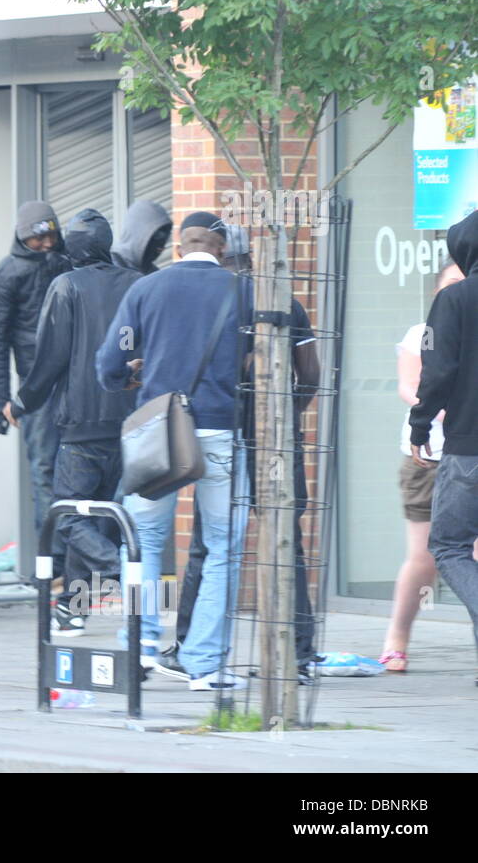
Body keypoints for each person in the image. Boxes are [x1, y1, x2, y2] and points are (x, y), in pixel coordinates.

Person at [162, 221, 323, 681]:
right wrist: (286, 414)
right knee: (284, 545)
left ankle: (186, 646)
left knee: (207, 545)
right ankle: (299, 653)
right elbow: (309, 374)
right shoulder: (282, 303)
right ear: (251, 258)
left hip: (220, 431)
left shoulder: (201, 305)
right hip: (274, 436)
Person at [97, 225, 249, 691]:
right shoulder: (241, 290)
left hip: (158, 430)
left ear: (180, 246)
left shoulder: (146, 289)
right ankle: (203, 664)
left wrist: (130, 378)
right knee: (223, 544)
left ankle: (138, 647)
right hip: (220, 427)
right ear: (221, 249)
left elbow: (109, 363)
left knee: (141, 540)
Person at [5, 208, 141, 636]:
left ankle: (115, 564)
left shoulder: (65, 287)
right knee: (99, 515)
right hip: (130, 423)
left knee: (69, 514)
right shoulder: (137, 284)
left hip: (81, 424)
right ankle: (72, 607)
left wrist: (20, 403)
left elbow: (48, 361)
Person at [381, 260, 464, 672]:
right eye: (450, 284)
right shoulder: (422, 334)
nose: (457, 292)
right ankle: (397, 637)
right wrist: (456, 410)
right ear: (436, 293)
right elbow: (410, 387)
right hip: (428, 456)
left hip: (470, 456)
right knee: (424, 558)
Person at [409, 211, 478, 681]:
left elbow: (436, 371)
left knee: (450, 547)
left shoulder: (453, 299)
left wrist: (419, 427)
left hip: (468, 448)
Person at [0, 201, 70, 535]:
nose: (47, 244)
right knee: (45, 469)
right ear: (22, 238)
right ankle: (52, 563)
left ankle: (68, 562)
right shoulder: (9, 271)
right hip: (35, 388)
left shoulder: (66, 262)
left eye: (51, 236)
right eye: (38, 239)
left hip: (71, 381)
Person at [111, 200, 173, 275]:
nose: (163, 240)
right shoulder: (109, 269)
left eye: (167, 234)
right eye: (158, 234)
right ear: (138, 230)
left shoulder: (153, 274)